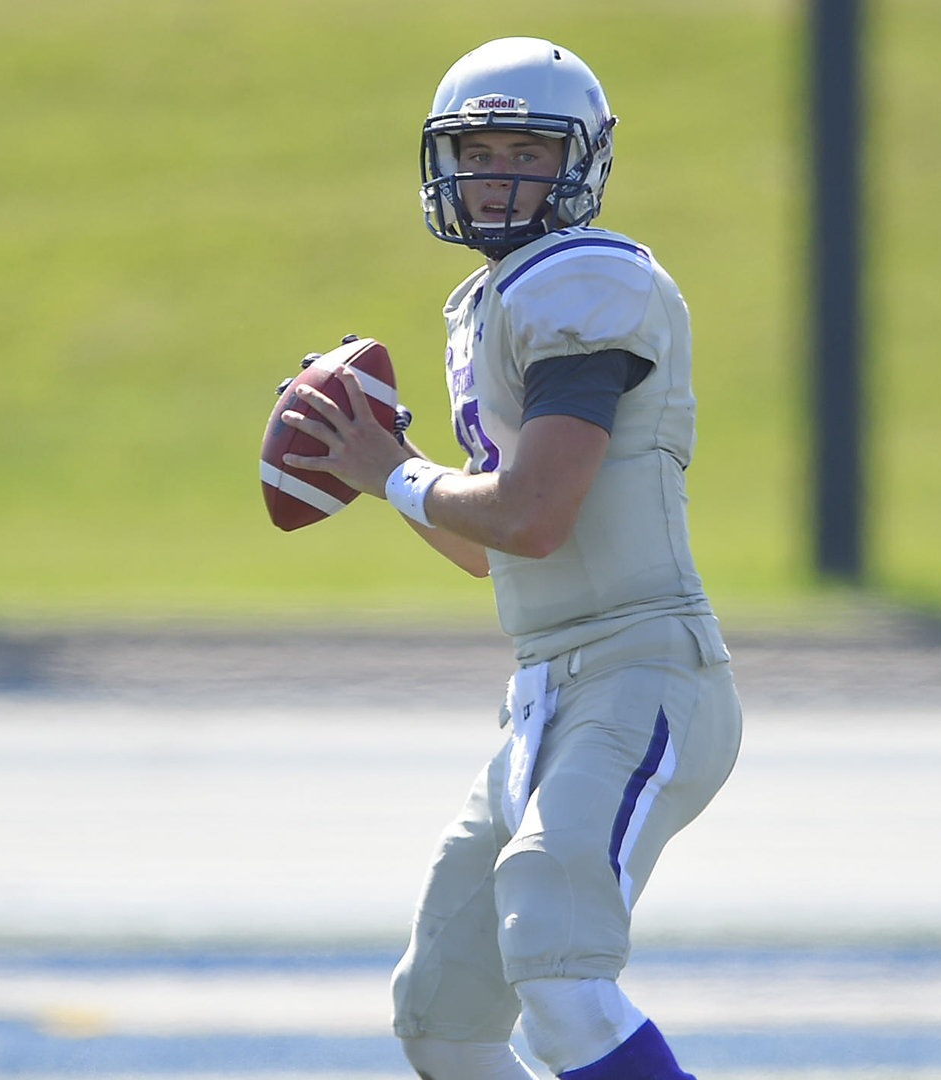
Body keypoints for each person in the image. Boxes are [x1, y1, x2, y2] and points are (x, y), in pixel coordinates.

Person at [279, 37, 742, 1080]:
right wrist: (378, 474)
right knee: (441, 1015)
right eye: (477, 148)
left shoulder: (586, 281)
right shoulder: (492, 303)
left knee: (560, 969)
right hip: (543, 694)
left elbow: (534, 515)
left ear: (579, 164)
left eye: (524, 151)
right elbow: (489, 551)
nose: (495, 173)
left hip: (641, 670)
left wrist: (397, 469)